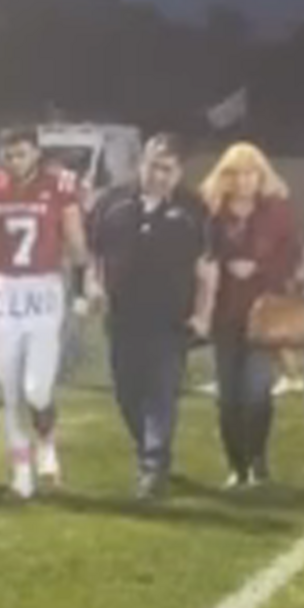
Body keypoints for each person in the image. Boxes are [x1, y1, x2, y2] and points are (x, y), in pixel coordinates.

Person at [0, 125, 89, 500]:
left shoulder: (59, 185)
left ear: (36, 152)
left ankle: (47, 441)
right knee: (9, 392)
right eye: (8, 154)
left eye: (21, 153)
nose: (14, 161)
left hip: (44, 288)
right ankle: (21, 472)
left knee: (37, 389)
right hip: (5, 290)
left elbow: (77, 243)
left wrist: (82, 289)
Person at [88, 134, 214, 500]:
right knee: (128, 394)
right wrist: (94, 286)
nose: (159, 175)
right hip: (123, 315)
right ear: (141, 162)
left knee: (161, 393)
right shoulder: (112, 202)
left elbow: (206, 267)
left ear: (179, 172)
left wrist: (203, 314)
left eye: (168, 169)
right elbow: (95, 254)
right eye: (153, 166)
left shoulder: (194, 209)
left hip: (170, 319)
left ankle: (153, 466)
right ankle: (149, 449)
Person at [201, 142, 301, 489]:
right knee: (228, 396)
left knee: (257, 390)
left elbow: (291, 255)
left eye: (250, 173)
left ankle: (258, 460)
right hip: (225, 315)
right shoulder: (212, 213)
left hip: (263, 313)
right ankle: (237, 465)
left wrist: (259, 267)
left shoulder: (277, 212)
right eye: (236, 174)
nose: (244, 181)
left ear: (261, 176)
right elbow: (201, 257)